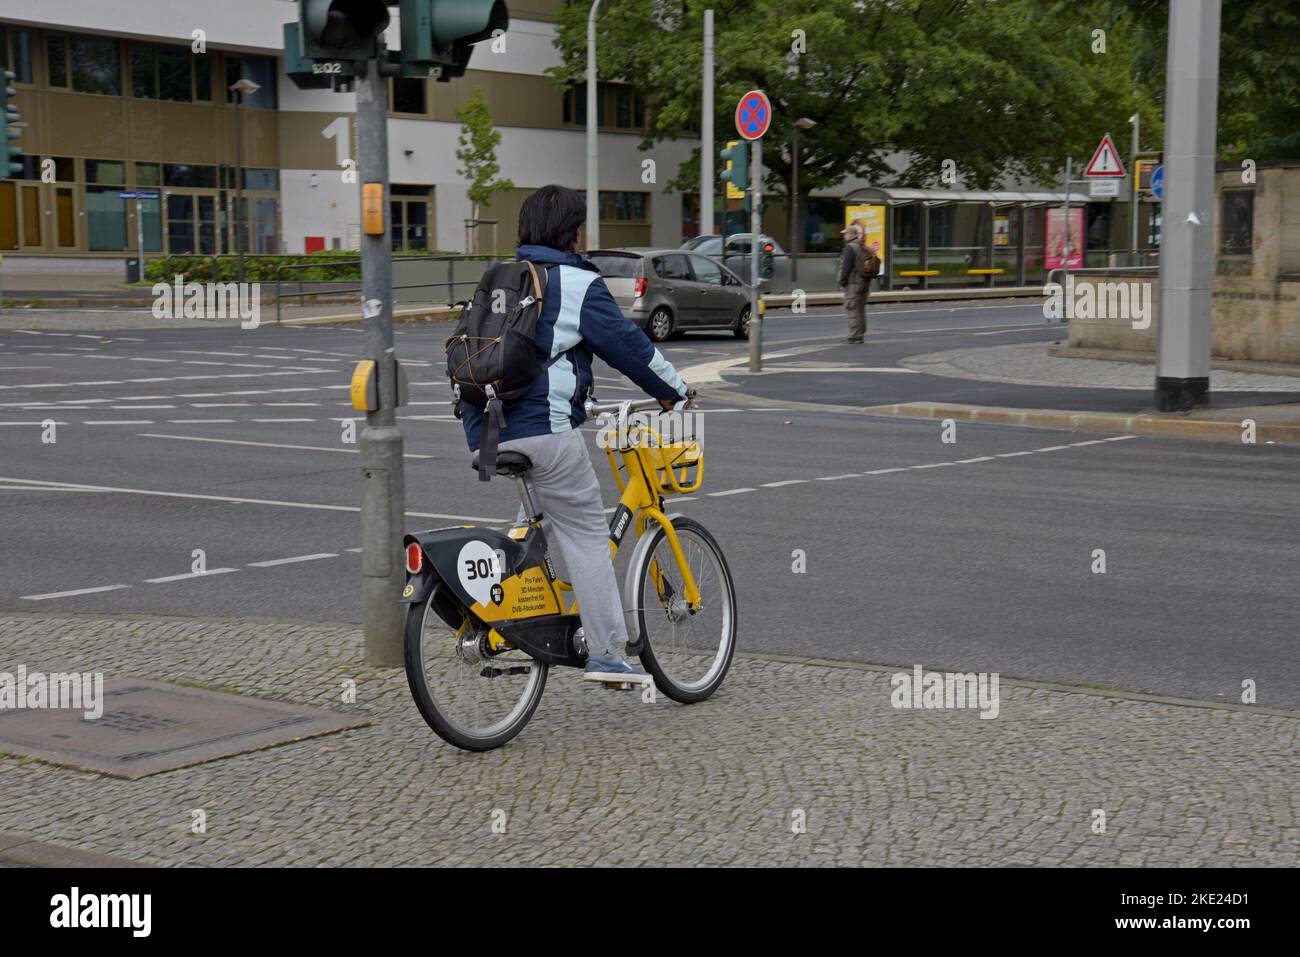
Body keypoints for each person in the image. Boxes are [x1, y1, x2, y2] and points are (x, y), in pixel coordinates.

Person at [457, 185, 691, 684]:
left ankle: (508, 616)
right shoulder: (575, 282)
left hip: (485, 432)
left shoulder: (500, 277)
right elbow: (628, 347)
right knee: (585, 532)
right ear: (571, 232)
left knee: (535, 524)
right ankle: (607, 654)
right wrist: (674, 391)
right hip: (543, 431)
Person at [838, 223, 869, 343]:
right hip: (864, 282)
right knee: (860, 309)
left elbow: (847, 267)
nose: (844, 236)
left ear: (851, 234)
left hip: (853, 283)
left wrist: (842, 282)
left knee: (852, 308)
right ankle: (860, 334)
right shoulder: (863, 246)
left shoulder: (850, 248)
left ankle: (854, 335)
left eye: (845, 234)